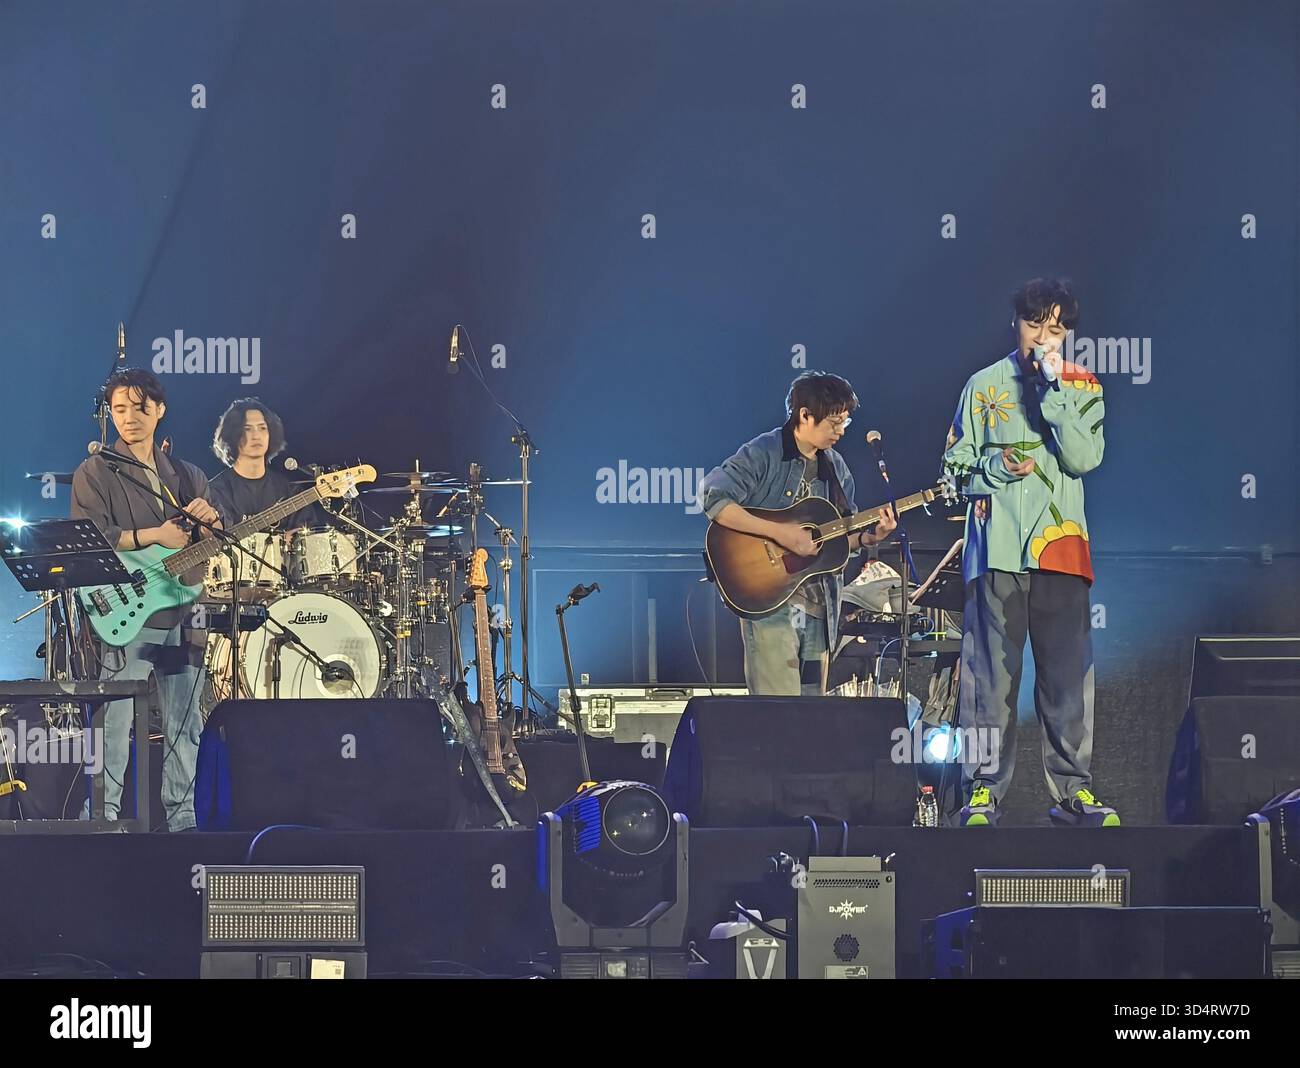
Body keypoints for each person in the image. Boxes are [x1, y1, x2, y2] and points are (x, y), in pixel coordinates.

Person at [941, 278, 1117, 827]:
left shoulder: (1082, 385)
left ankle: (1073, 793)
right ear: (1016, 323)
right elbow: (952, 474)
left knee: (1066, 678)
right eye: (1035, 323)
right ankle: (982, 793)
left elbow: (1086, 458)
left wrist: (1054, 390)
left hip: (1062, 550)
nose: (1044, 336)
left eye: (1057, 328)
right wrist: (994, 470)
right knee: (990, 681)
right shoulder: (981, 386)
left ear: (1069, 334)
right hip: (996, 553)